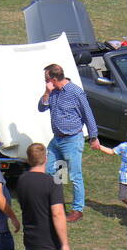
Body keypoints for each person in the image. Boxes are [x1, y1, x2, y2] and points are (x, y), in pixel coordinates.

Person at [39, 63, 100, 222]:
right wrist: (46, 92)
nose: (45, 81)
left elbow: (88, 114)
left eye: (46, 79)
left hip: (72, 140)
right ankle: (57, 202)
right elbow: (41, 107)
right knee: (52, 171)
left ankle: (77, 209)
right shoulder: (52, 92)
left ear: (53, 78)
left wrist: (94, 137)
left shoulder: (75, 92)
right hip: (57, 140)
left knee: (74, 176)